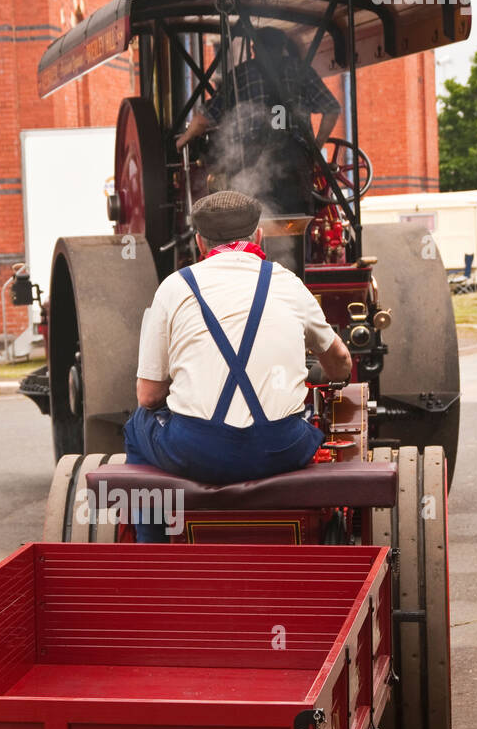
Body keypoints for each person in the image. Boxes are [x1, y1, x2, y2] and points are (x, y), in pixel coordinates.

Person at [123, 190, 352, 541]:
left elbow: (149, 395)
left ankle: (153, 552)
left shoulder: (174, 287)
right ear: (258, 235)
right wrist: (334, 374)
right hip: (280, 449)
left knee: (136, 426)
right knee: (308, 426)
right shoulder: (288, 282)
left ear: (200, 243)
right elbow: (340, 362)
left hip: (197, 451)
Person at [176, 29, 341, 216]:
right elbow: (332, 108)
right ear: (283, 48)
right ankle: (299, 243)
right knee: (298, 218)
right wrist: (315, 147)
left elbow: (205, 116)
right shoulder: (300, 70)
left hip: (251, 159)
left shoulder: (240, 74)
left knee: (251, 217)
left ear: (254, 49)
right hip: (295, 160)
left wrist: (183, 140)